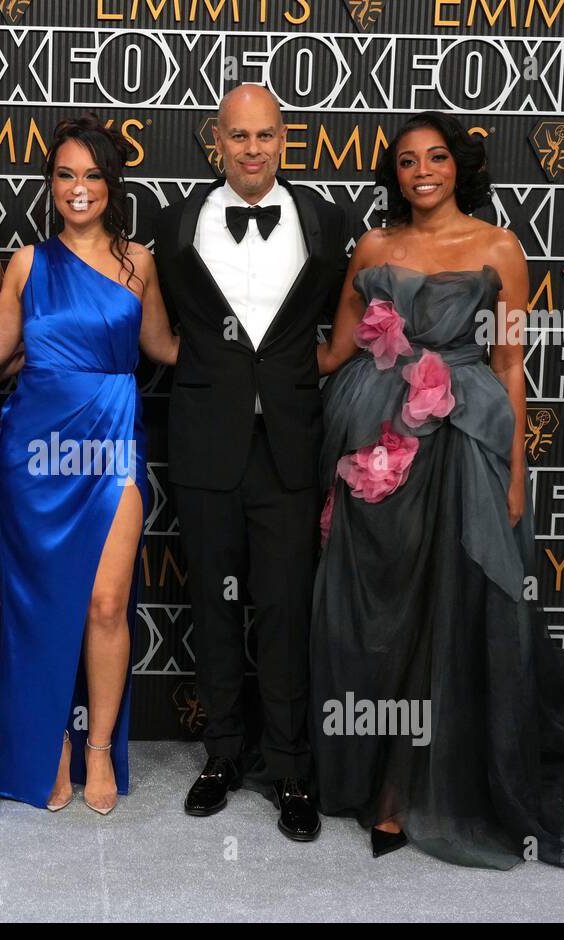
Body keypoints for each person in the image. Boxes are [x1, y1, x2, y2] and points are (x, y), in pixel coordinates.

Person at [312, 111, 564, 867]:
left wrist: (514, 469)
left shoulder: (499, 248)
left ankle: (415, 791)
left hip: (463, 443)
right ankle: (380, 768)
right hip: (374, 443)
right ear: (394, 173)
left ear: (459, 167)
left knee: (449, 607)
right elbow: (336, 349)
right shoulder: (374, 247)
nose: (422, 170)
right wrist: (246, 357)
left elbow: (511, 363)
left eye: (437, 157)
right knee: (379, 607)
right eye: (408, 159)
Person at [152, 84, 347, 842]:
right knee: (213, 607)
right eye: (238, 136)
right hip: (205, 445)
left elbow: (344, 331)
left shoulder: (328, 223)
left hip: (292, 447)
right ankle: (224, 754)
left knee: (286, 610)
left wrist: (291, 378)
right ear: (217, 140)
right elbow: (159, 336)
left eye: (265, 135)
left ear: (284, 138)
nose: (252, 149)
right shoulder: (175, 226)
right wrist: (216, 378)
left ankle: (290, 766)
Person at [0, 114, 178, 814]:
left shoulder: (140, 262)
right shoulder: (29, 262)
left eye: (92, 174)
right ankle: (48, 748)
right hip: (37, 451)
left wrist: (253, 358)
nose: (78, 187)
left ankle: (98, 750)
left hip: (112, 439)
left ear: (111, 183)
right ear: (50, 185)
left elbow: (162, 348)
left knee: (105, 602)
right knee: (40, 609)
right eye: (65, 174)